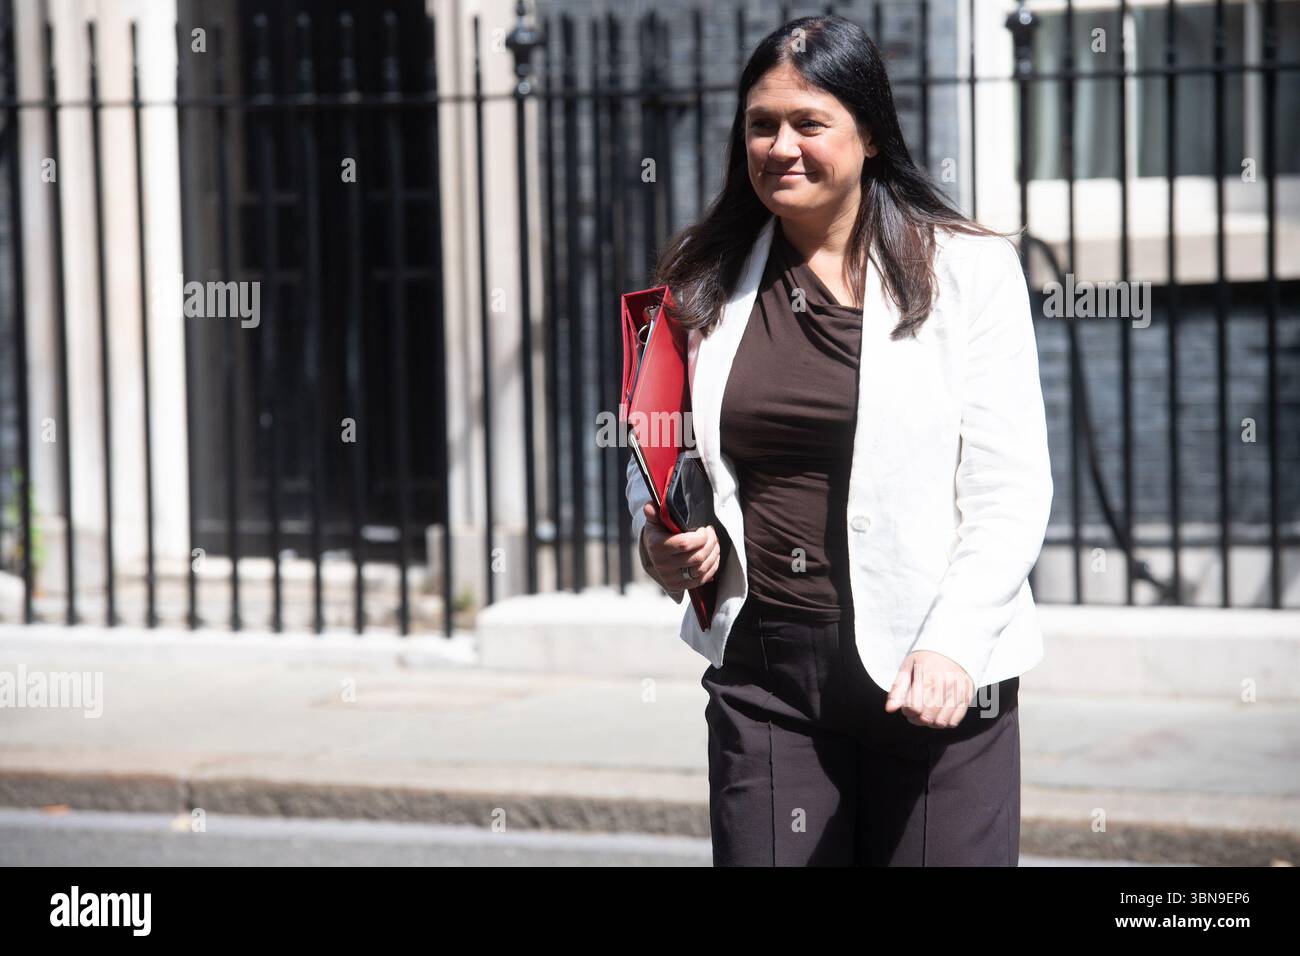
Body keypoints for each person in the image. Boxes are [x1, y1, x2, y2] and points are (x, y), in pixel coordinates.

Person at [625, 14, 1053, 866]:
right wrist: (660, 539)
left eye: (808, 123)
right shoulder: (700, 282)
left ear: (869, 137)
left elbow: (1011, 489)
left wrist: (952, 645)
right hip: (767, 675)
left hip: (932, 675)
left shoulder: (967, 271)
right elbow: (660, 455)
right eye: (760, 124)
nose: (780, 145)